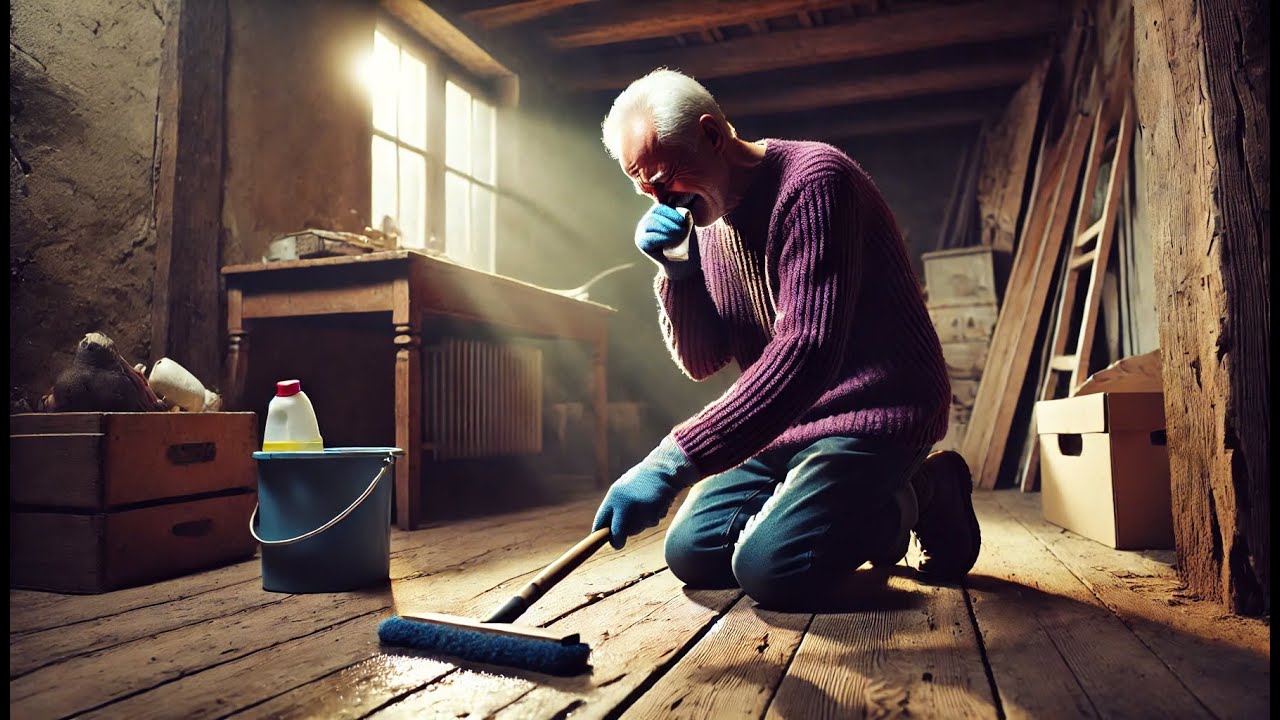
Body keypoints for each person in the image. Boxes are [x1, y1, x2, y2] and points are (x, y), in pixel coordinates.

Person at [590, 68, 980, 610]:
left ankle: (924, 490)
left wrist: (670, 460)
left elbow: (806, 352)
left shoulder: (815, 182)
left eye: (668, 176)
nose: (660, 199)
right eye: (643, 186)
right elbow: (704, 361)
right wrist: (677, 271)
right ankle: (824, 510)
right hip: (789, 421)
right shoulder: (702, 219)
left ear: (712, 134)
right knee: (692, 553)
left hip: (877, 410)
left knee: (770, 570)